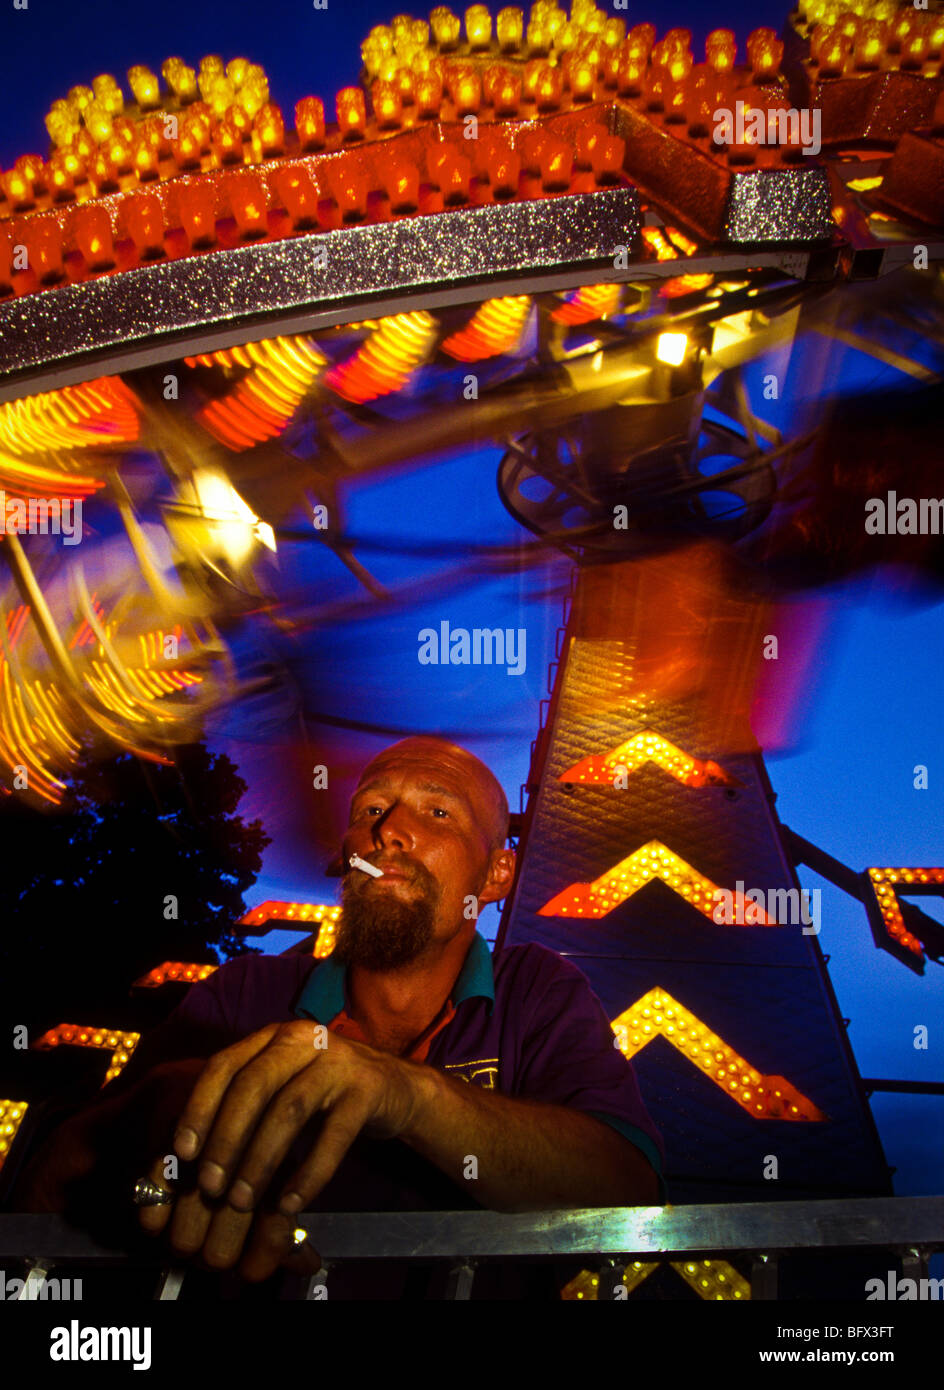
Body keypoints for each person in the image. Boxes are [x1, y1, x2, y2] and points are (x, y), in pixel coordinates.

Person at [11, 736, 664, 1299]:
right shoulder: (244, 992)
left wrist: (405, 1096)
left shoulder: (539, 991)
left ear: (495, 874)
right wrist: (171, 1114)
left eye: (438, 811)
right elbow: (64, 1168)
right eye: (372, 810)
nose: (389, 832)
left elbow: (627, 1190)